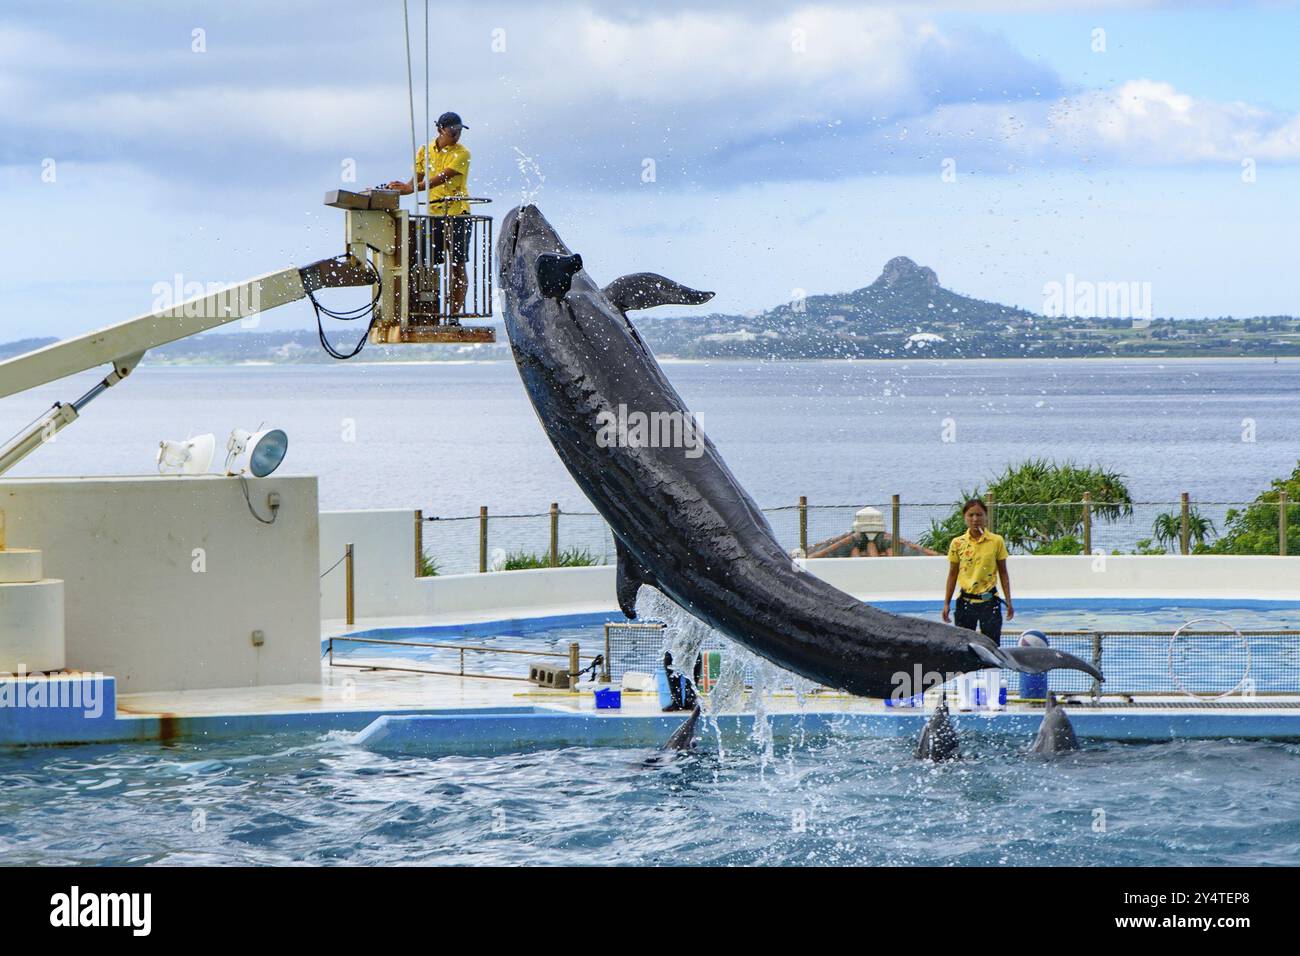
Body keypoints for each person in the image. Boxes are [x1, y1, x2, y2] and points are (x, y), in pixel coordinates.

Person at [384, 111, 473, 317]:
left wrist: (411, 189)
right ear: (440, 130)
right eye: (453, 130)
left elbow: (442, 178)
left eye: (460, 130)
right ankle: (426, 308)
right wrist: (400, 188)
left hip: (458, 214)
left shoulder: (462, 154)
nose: (457, 135)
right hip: (434, 214)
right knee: (426, 261)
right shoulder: (425, 151)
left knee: (457, 264)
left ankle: (454, 313)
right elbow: (417, 179)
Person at [942, 497, 1014, 644]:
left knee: (991, 646)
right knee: (963, 648)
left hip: (990, 602)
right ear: (965, 517)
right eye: (971, 515)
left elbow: (1003, 572)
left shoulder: (996, 541)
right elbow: (952, 574)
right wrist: (947, 603)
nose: (975, 519)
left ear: (986, 516)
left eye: (979, 515)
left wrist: (1008, 601)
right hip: (965, 603)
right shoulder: (958, 543)